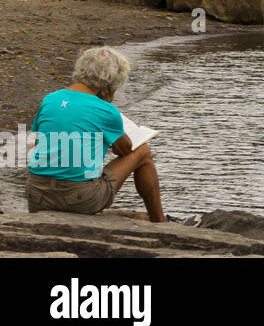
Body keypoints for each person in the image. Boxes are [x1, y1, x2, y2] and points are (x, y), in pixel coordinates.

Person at [26, 46, 165, 222]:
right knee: (143, 152)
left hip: (37, 195)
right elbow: (124, 151)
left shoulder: (50, 99)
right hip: (77, 199)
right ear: (110, 83)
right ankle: (160, 221)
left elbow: (40, 145)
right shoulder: (106, 109)